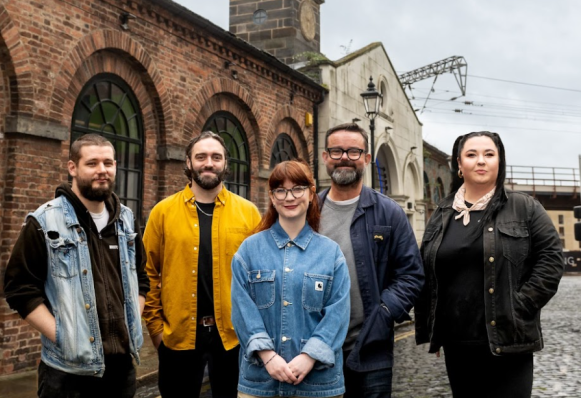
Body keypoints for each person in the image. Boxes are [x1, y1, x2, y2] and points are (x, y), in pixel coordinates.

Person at [415, 131, 563, 398]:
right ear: (459, 165)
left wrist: (521, 305)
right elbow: (428, 271)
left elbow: (551, 260)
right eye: (471, 155)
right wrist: (433, 326)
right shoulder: (441, 214)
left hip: (508, 339)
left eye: (489, 154)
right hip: (457, 344)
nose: (480, 161)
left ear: (499, 162)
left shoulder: (525, 208)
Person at [4, 134, 148, 398]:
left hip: (121, 369)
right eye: (92, 163)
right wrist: (63, 336)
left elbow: (142, 278)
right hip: (68, 374)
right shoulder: (44, 221)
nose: (102, 170)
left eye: (108, 163)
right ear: (73, 167)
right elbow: (19, 289)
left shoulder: (126, 221)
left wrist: (131, 323)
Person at [142, 131, 261, 398]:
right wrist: (157, 330)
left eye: (216, 157)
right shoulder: (163, 212)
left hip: (233, 339)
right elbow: (147, 272)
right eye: (201, 156)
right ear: (188, 162)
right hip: (178, 338)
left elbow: (260, 276)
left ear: (225, 164)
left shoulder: (248, 213)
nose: (209, 163)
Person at [317, 123, 424, 398]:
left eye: (353, 151)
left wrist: (384, 313)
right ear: (325, 157)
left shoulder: (389, 213)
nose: (344, 157)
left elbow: (411, 275)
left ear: (366, 158)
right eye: (337, 150)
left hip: (370, 347)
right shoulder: (308, 212)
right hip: (314, 347)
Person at [232, 160, 350, 398]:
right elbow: (243, 311)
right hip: (260, 382)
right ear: (272, 198)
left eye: (297, 188)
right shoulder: (248, 251)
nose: (289, 197)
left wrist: (309, 356)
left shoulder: (331, 253)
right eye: (281, 190)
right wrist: (268, 356)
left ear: (310, 193)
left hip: (318, 384)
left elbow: (338, 314)